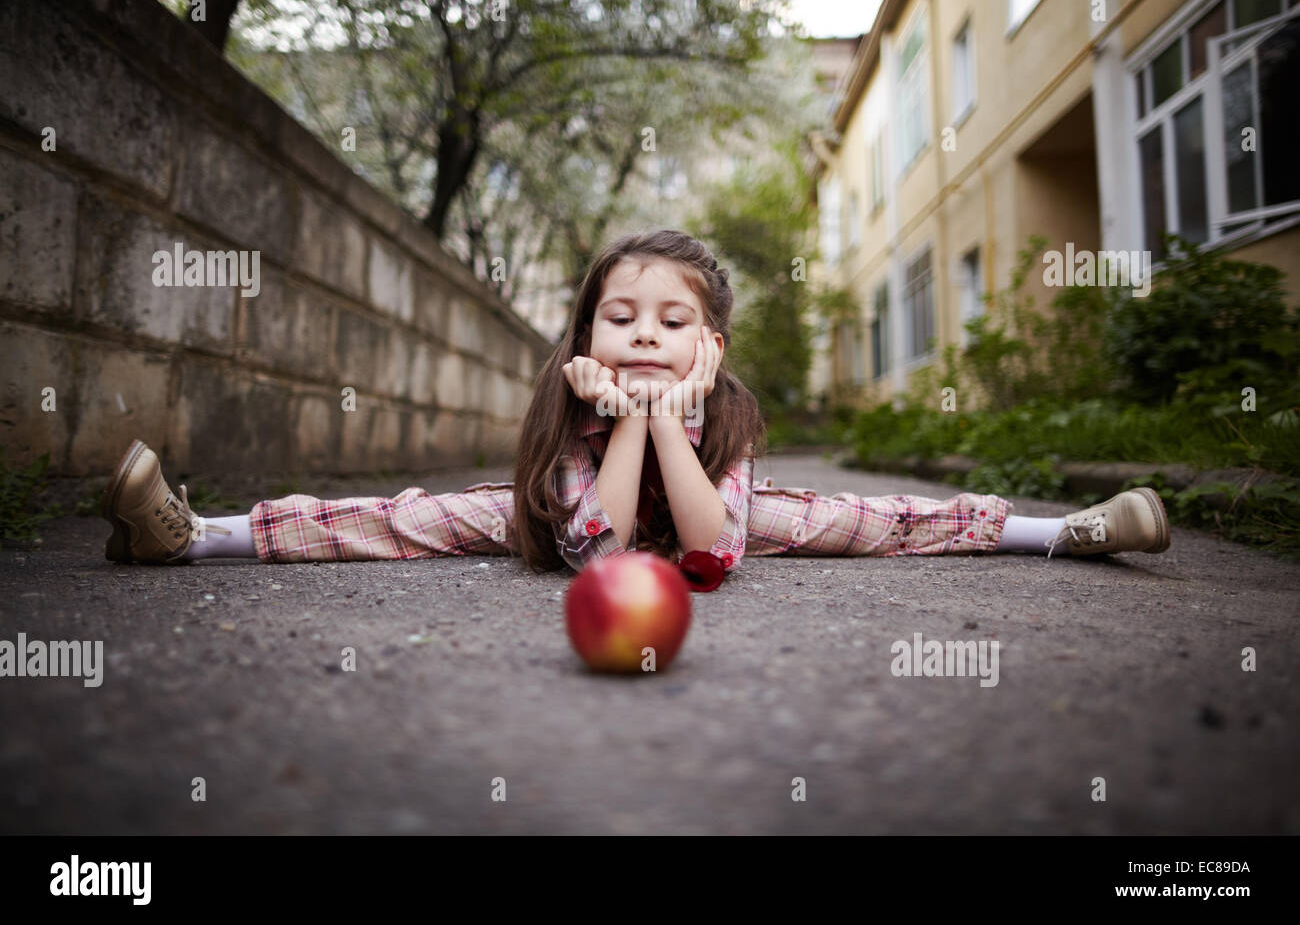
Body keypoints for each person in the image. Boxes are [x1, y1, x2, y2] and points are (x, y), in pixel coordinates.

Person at [100, 229, 1170, 576]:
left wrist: (670, 422)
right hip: (572, 518)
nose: (645, 336)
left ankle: (1058, 530)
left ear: (711, 343)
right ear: (584, 335)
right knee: (404, 514)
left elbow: (708, 555)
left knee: (868, 519)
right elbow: (596, 554)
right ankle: (196, 538)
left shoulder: (729, 414)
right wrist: (623, 422)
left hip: (706, 503)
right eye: (622, 317)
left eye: (671, 321)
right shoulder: (576, 410)